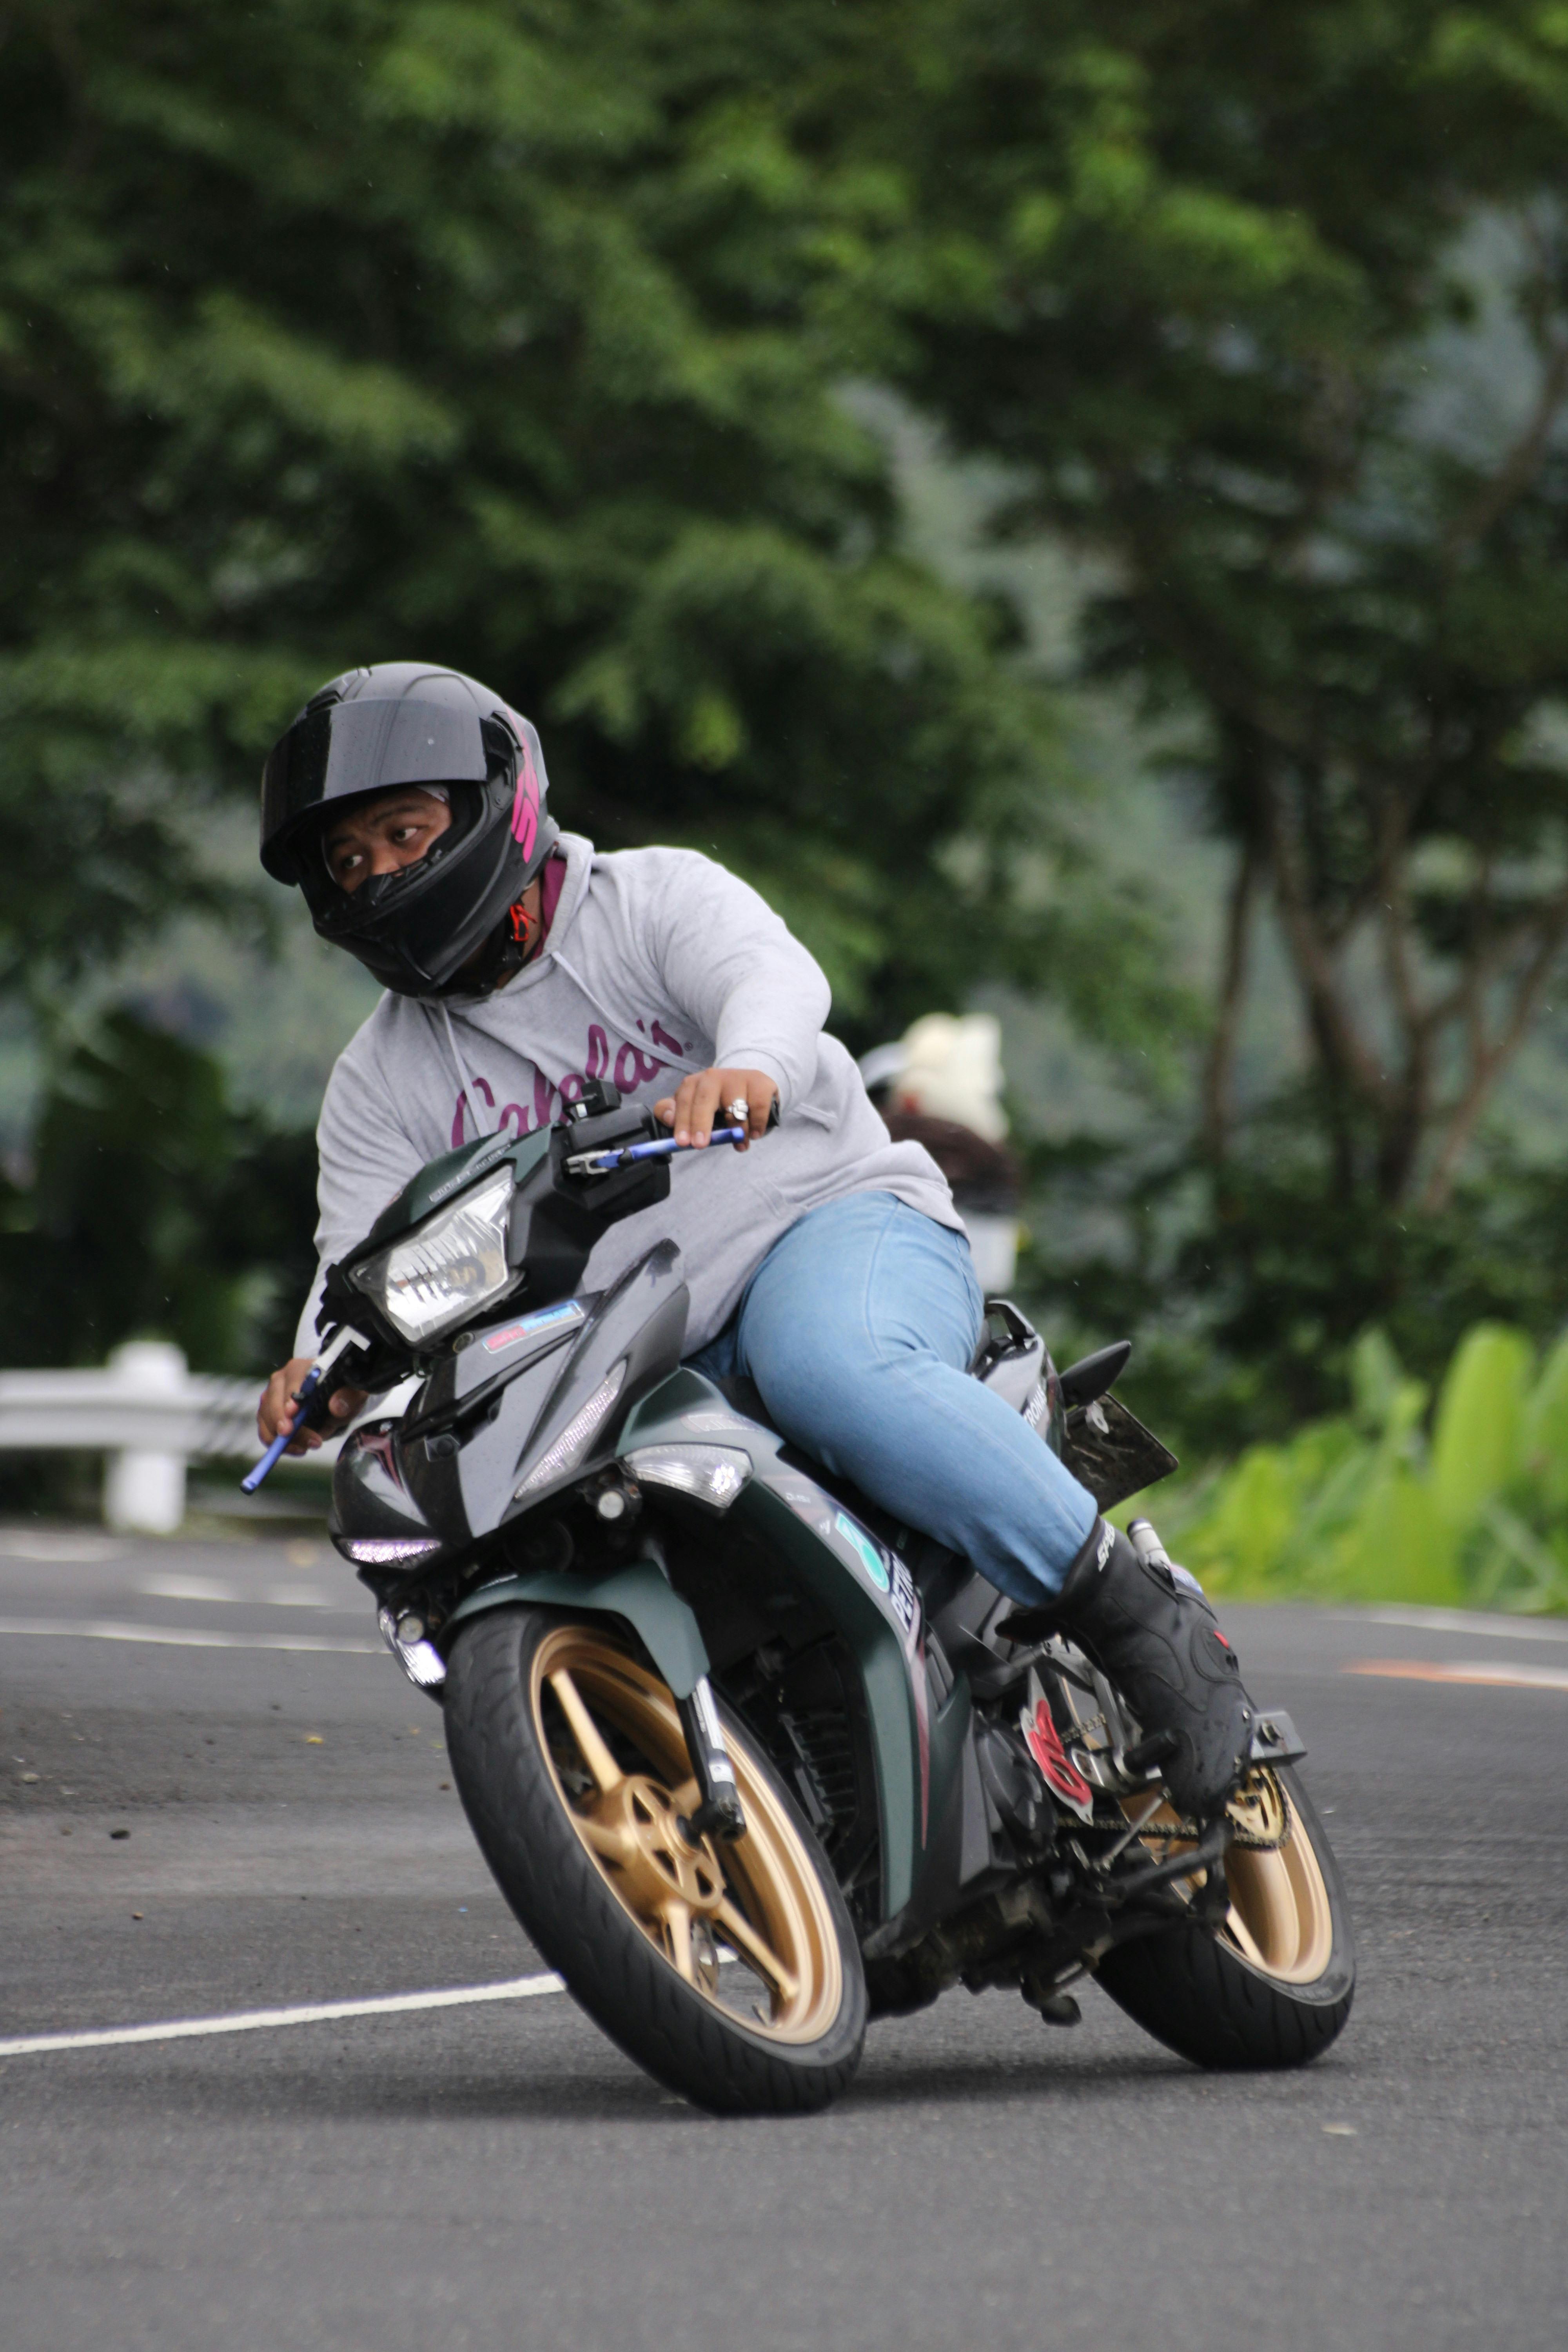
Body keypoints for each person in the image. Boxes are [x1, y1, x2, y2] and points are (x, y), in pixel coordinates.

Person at [256, 661, 1256, 1817]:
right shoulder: (378, 1081)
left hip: (829, 1229)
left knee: (826, 1365)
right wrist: (318, 1375)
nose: (379, 870)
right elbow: (360, 1263)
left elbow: (771, 978)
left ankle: (1136, 1618)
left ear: (498, 804)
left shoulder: (646, 901)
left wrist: (750, 1067)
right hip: (620, 1356)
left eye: (404, 829)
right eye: (350, 859)